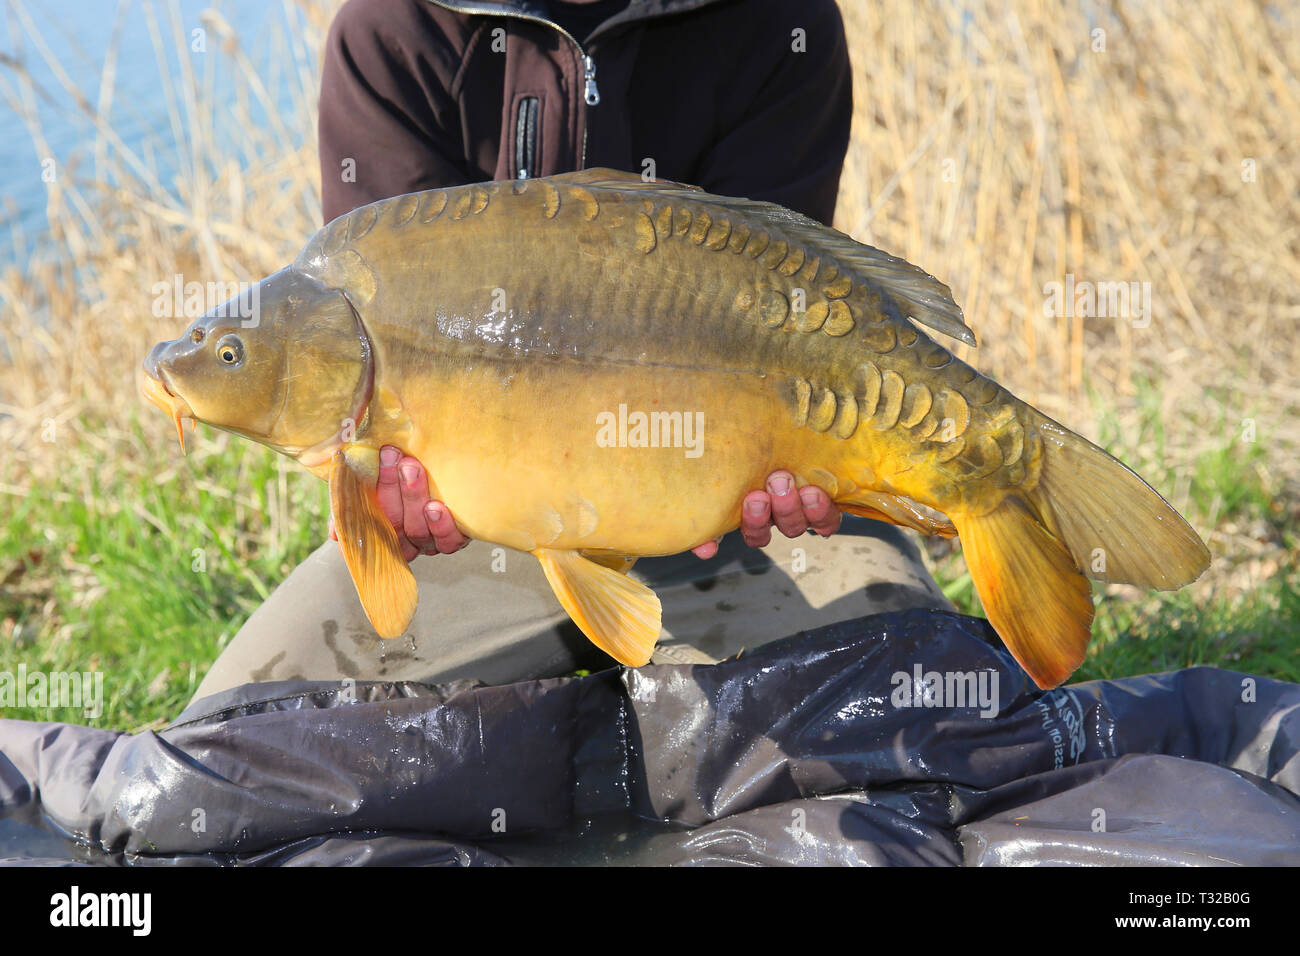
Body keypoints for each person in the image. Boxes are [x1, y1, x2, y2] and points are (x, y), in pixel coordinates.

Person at [191, 0, 952, 700]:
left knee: (902, 698)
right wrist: (385, 500)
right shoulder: (392, 31)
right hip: (473, 547)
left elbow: (791, 301)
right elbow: (373, 313)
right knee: (253, 728)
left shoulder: (783, 20)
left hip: (734, 518)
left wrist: (794, 466)